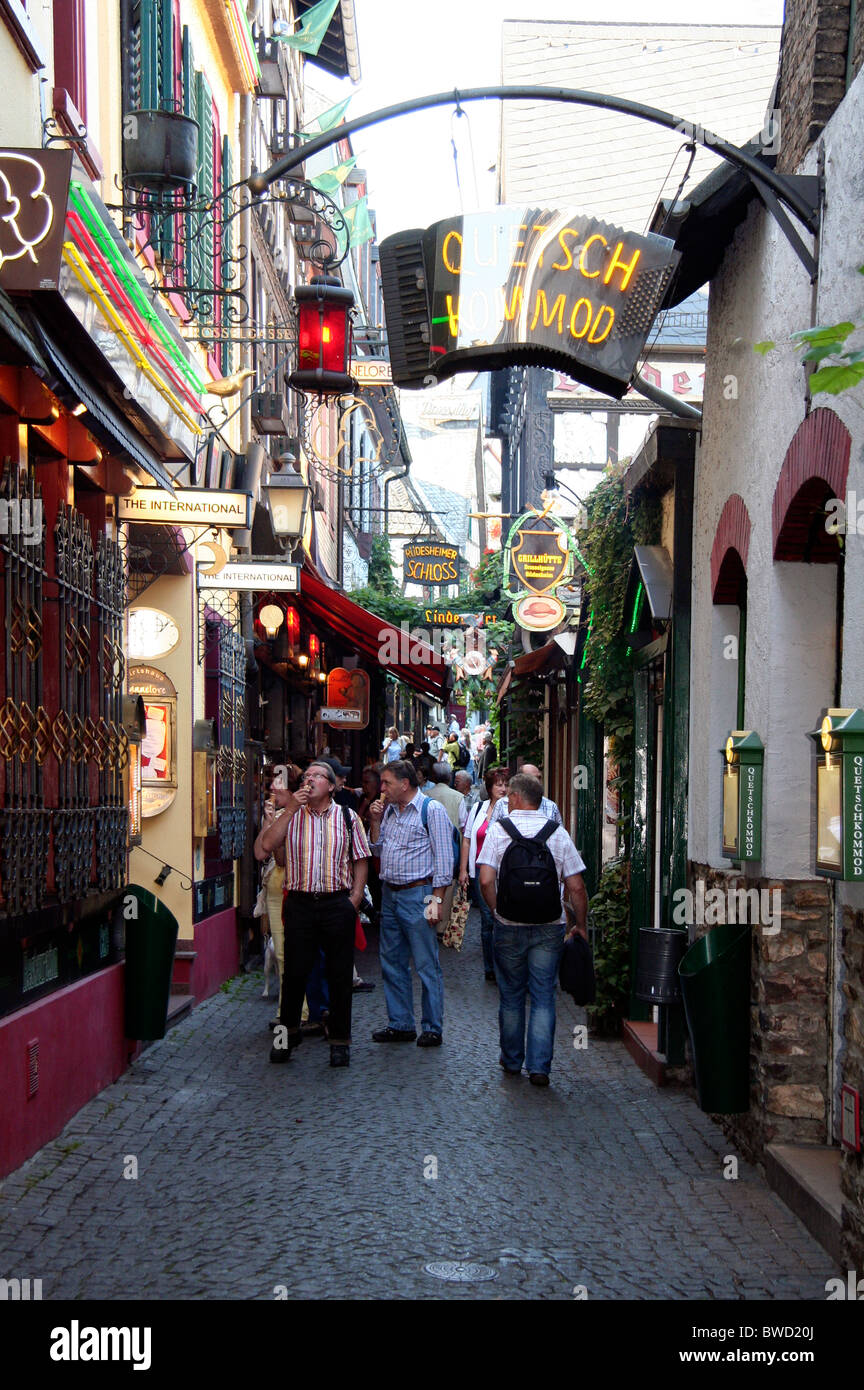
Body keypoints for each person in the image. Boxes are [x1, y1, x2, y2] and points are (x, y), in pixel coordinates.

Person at [256, 761, 370, 1069]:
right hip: (300, 903)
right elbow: (264, 847)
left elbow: (361, 859)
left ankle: (340, 1043)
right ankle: (286, 1039)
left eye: (316, 776)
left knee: (339, 975)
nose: (309, 779)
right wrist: (290, 808)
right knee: (293, 975)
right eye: (306, 775)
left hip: (336, 903)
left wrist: (355, 898)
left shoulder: (348, 818)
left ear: (331, 786)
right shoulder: (290, 816)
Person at [477, 773, 587, 1087]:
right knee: (542, 997)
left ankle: (512, 1061)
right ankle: (539, 1067)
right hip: (549, 926)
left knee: (511, 996)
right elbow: (577, 888)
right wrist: (580, 925)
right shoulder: (557, 833)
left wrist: (498, 912)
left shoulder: (500, 832)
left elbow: (485, 880)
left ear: (514, 797)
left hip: (509, 926)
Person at [367, 759, 453, 1047]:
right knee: (391, 960)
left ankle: (432, 1027)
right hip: (390, 893)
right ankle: (400, 1023)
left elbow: (444, 861)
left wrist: (436, 901)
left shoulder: (432, 810)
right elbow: (376, 849)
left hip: (419, 893)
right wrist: (375, 822)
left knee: (426, 963)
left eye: (387, 782)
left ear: (404, 784)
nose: (382, 788)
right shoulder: (390, 811)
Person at [459, 765, 510, 982]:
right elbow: (468, 839)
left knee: (503, 916)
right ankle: (490, 967)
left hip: (505, 871)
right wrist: (463, 870)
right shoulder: (479, 809)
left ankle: (504, 965)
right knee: (488, 918)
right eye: (499, 785)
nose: (503, 789)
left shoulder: (511, 809)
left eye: (506, 785)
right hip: (480, 869)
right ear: (489, 788)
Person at [425, 762, 465, 935]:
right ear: (449, 777)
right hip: (452, 849)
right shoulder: (457, 797)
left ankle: (427, 920)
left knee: (428, 885)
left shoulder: (425, 795)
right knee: (447, 888)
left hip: (427, 850)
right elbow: (463, 826)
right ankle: (441, 927)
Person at [487, 763, 561, 828]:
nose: (537, 782)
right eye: (532, 778)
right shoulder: (501, 804)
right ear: (519, 780)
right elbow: (491, 836)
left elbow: (560, 838)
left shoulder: (551, 806)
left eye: (539, 778)